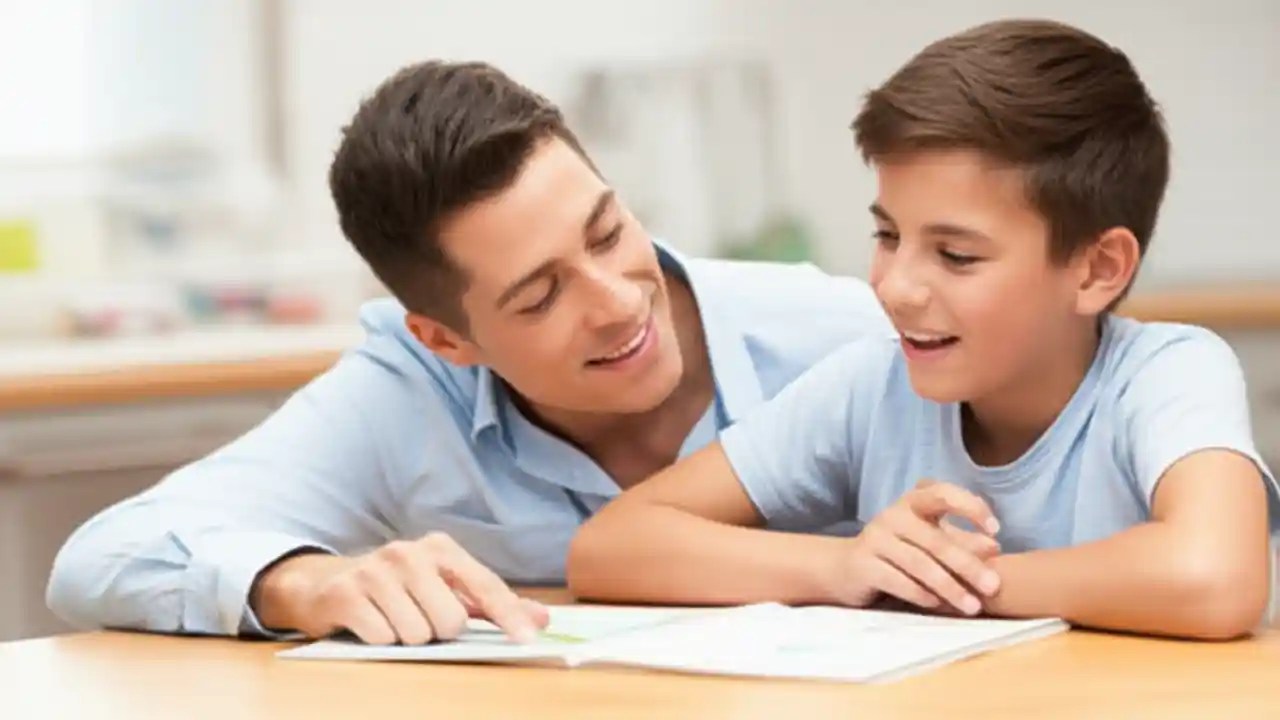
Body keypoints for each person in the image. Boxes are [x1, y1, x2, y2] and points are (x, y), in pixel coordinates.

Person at [46, 61, 891, 645]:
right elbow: (103, 558)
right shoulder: (403, 396)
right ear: (447, 339)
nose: (618, 301)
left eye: (608, 232)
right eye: (540, 295)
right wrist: (301, 583)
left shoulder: (834, 335)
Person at [567, 19, 1279, 640]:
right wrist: (847, 566)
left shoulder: (1168, 373)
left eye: (956, 255)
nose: (895, 286)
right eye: (887, 235)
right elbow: (610, 546)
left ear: (1097, 269)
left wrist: (946, 581)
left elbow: (1214, 577)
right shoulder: (871, 388)